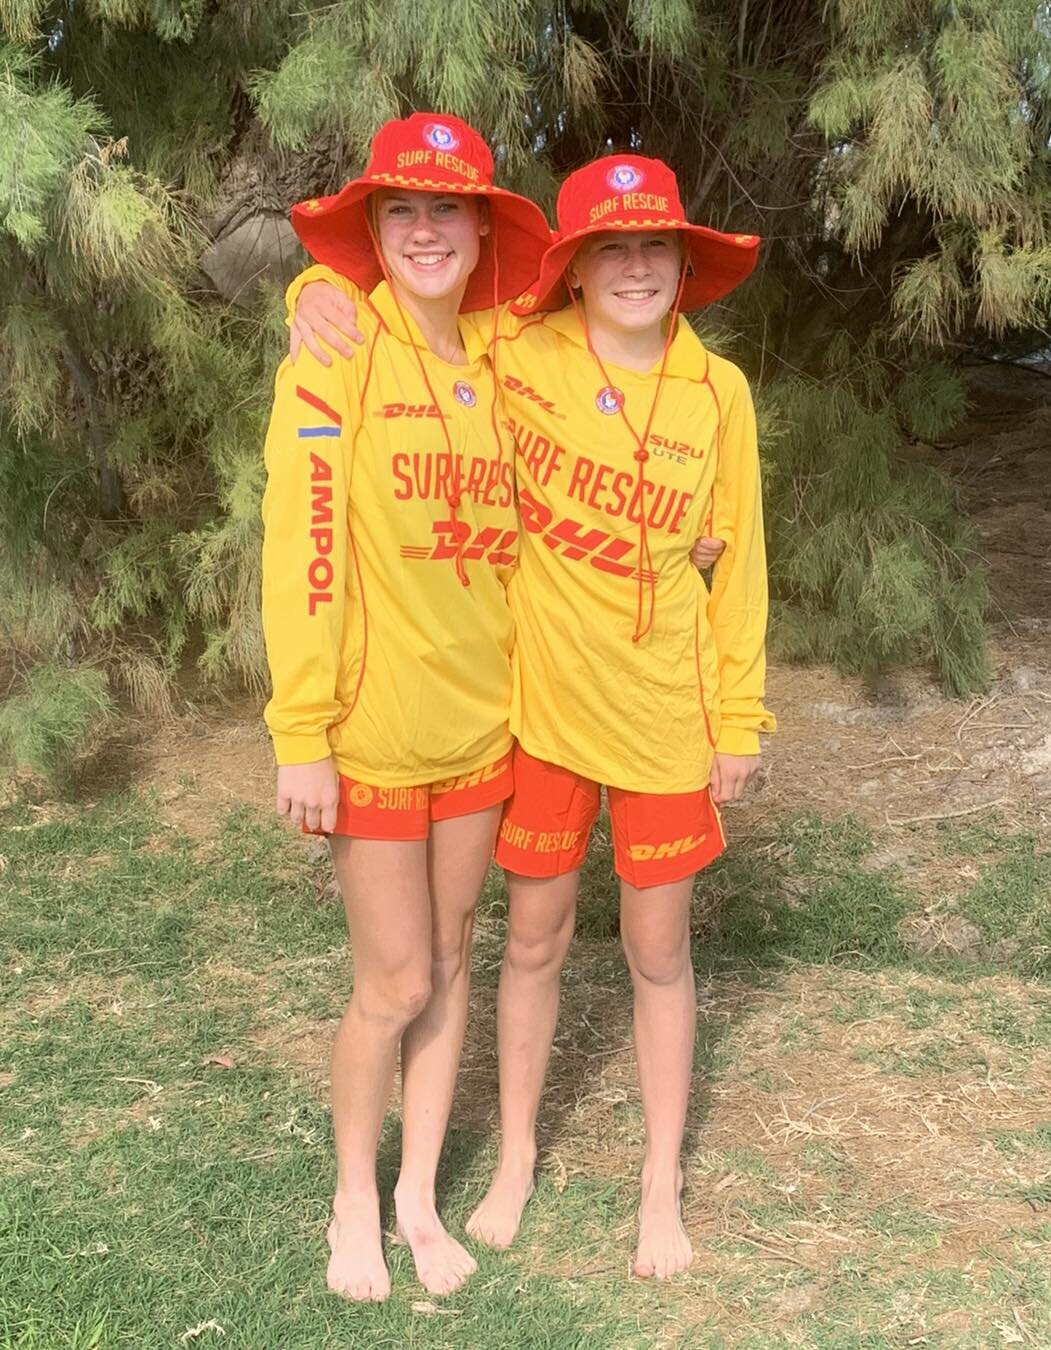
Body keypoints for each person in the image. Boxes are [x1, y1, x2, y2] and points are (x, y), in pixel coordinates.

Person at [288, 153, 774, 1280]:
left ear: (687, 263)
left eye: (659, 245)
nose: (639, 265)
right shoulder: (524, 349)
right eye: (613, 246)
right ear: (577, 266)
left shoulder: (722, 397)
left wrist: (737, 717)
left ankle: (661, 1186)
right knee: (534, 940)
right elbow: (404, 302)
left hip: (661, 719)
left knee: (658, 951)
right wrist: (302, 290)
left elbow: (738, 560)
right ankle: (510, 1159)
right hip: (541, 715)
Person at [261, 111, 549, 1302]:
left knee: (452, 957)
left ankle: (418, 1197)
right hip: (373, 734)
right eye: (402, 211)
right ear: (373, 230)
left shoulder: (503, 354)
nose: (426, 231)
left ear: (483, 230)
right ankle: (349, 1208)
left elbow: (628, 337)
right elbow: (305, 545)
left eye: (448, 210)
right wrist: (302, 732)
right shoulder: (336, 349)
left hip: (485, 731)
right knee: (392, 984)